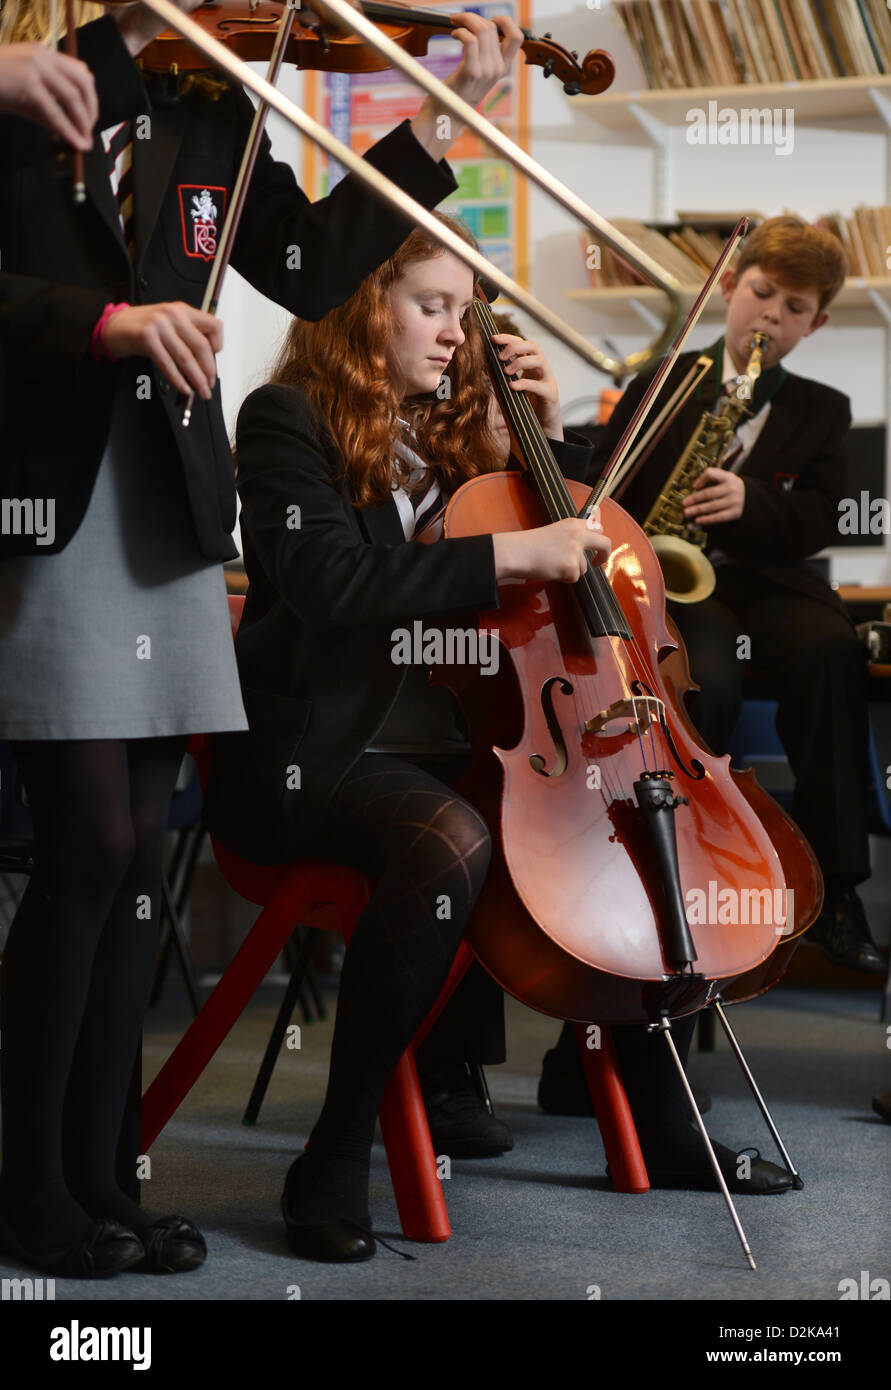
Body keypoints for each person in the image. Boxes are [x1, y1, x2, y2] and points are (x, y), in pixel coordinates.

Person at [0, 0, 522, 1280]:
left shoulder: (215, 105)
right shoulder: (23, 85)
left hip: (170, 512)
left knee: (128, 874)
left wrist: (437, 119)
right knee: (93, 850)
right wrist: (102, 324)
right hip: (47, 500)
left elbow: (308, 264)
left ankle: (102, 1177)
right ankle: (29, 1189)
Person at [204, 213, 797, 1267]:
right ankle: (335, 1154)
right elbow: (330, 584)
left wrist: (539, 429)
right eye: (431, 306)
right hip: (314, 760)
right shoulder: (281, 419)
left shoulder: (456, 431)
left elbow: (572, 556)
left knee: (609, 827)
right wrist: (515, 549)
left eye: (460, 313)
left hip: (459, 743)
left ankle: (668, 1119)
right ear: (361, 306)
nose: (452, 331)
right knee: (457, 838)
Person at [586, 217, 881, 977]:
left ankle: (835, 883)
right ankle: (688, 866)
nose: (769, 317)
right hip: (676, 583)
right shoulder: (662, 380)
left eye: (792, 308)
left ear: (815, 324)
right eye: (760, 294)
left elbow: (819, 519)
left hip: (770, 576)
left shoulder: (821, 408)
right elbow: (608, 484)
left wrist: (753, 503)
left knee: (828, 650)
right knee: (702, 676)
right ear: (727, 287)